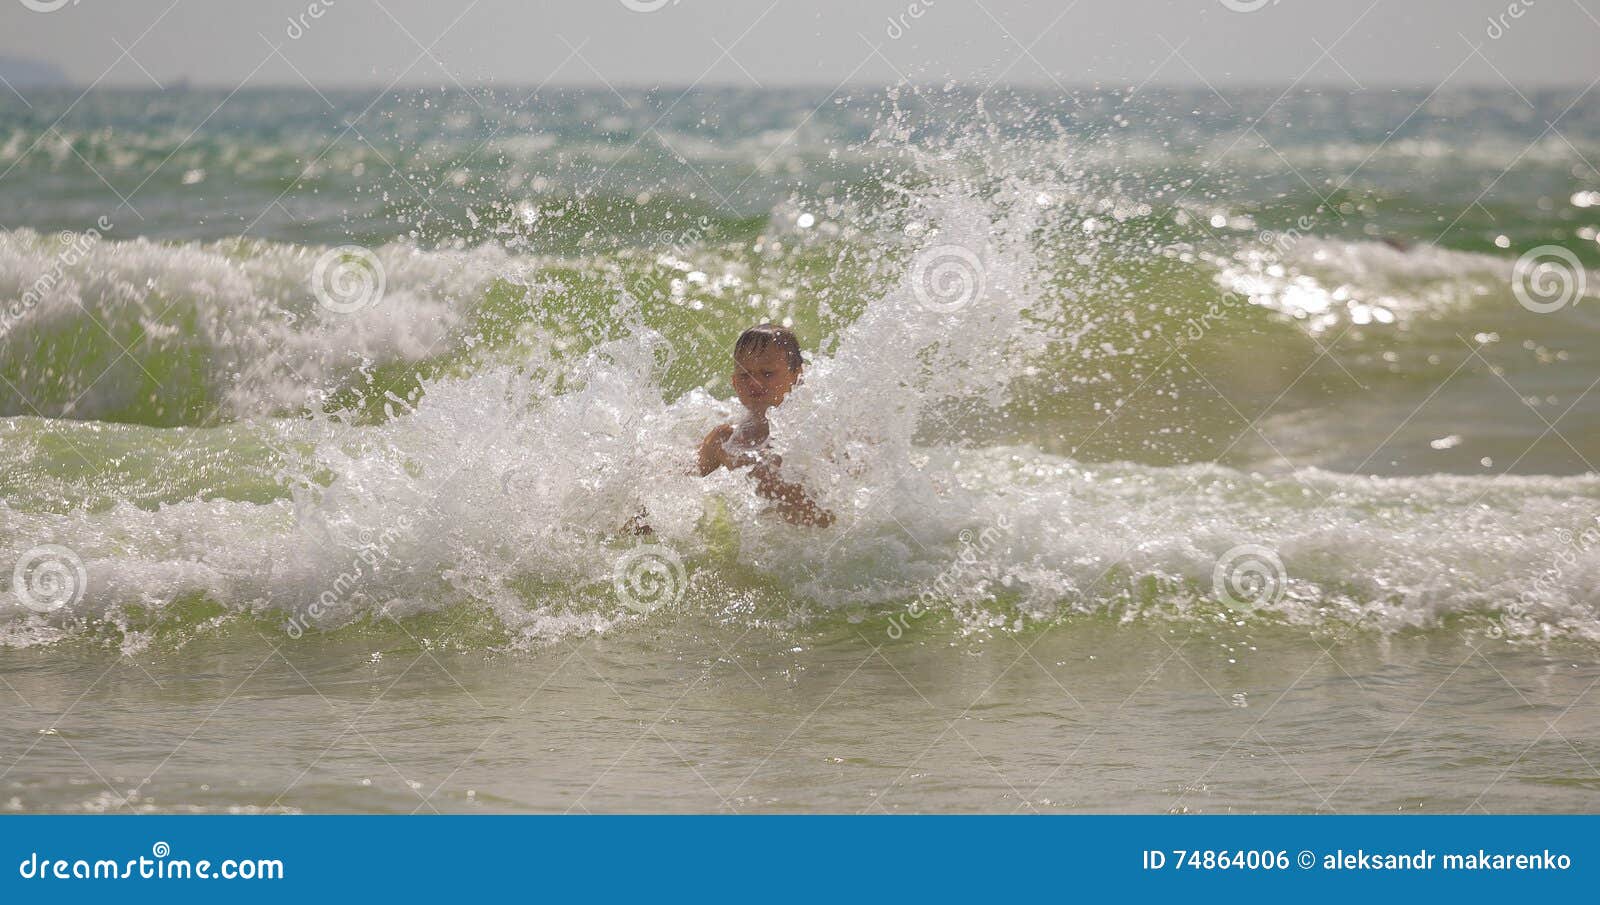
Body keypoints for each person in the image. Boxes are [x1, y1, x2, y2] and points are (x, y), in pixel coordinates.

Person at [696, 324, 834, 527]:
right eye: (744, 374)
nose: (754, 382)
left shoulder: (814, 435)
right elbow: (682, 489)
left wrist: (768, 482)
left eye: (767, 373)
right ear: (734, 382)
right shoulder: (723, 440)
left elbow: (828, 519)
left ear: (798, 376)